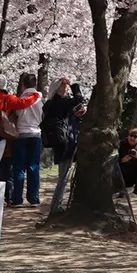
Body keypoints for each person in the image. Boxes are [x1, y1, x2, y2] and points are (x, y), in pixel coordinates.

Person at [3, 71, 45, 208]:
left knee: (19, 168)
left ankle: (17, 199)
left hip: (20, 135)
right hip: (35, 134)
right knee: (34, 167)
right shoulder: (40, 99)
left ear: (23, 85)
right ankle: (34, 198)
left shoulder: (19, 100)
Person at [42, 78, 79, 212]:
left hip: (59, 141)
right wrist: (74, 85)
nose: (66, 90)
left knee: (63, 176)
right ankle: (56, 206)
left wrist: (74, 115)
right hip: (66, 142)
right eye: (64, 88)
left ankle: (57, 204)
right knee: (63, 177)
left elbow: (63, 117)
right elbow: (78, 99)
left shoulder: (50, 104)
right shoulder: (61, 102)